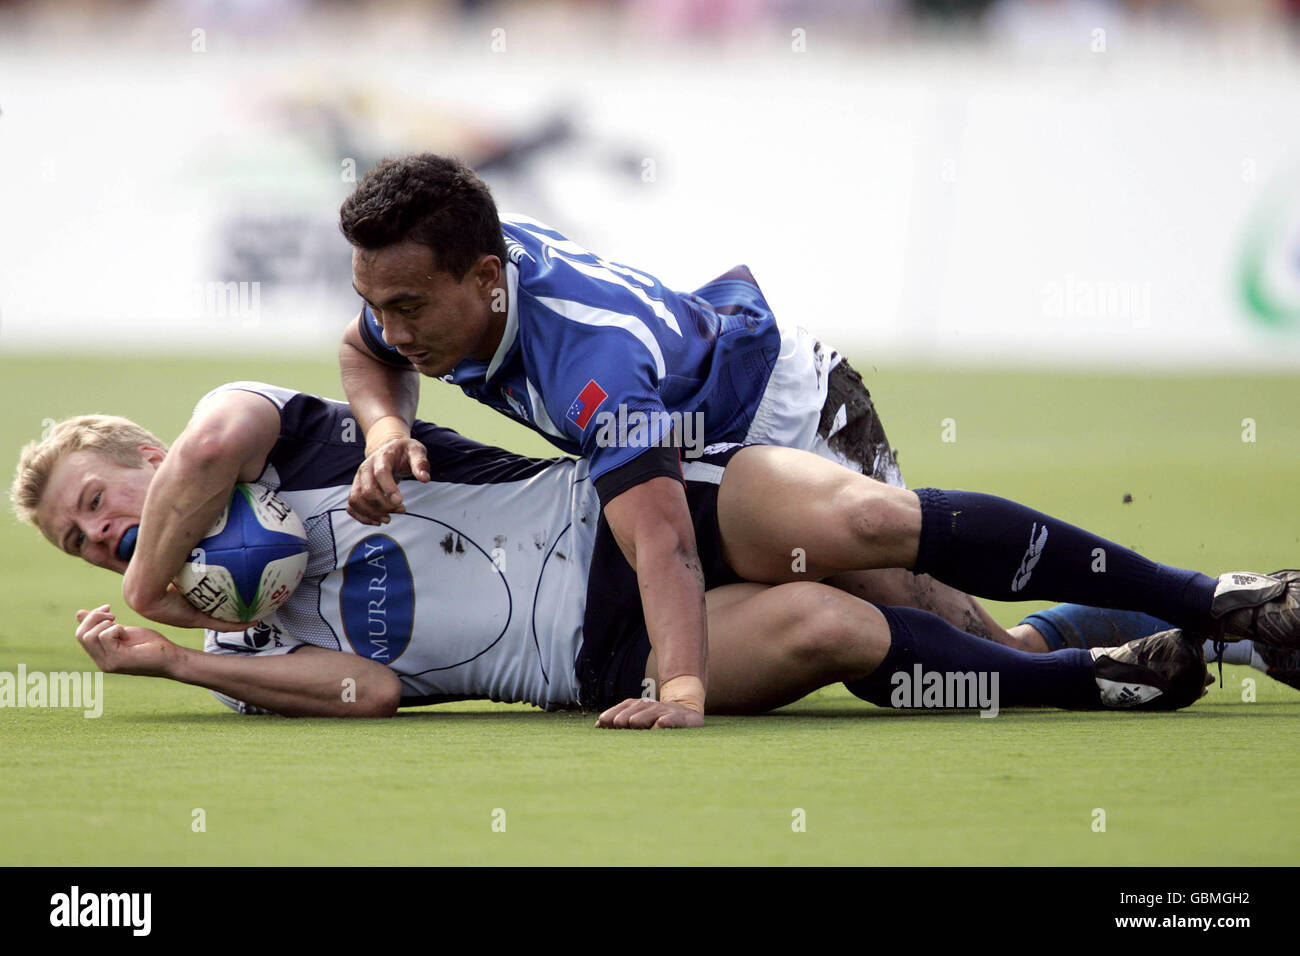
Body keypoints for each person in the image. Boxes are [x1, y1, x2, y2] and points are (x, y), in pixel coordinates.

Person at [12, 381, 1299, 724]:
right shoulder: (238, 636)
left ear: (139, 451)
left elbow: (204, 449)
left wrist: (147, 579)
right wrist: (183, 658)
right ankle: (1109, 674)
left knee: (863, 539)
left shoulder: (270, 433)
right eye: (78, 537)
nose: (98, 529)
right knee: (841, 624)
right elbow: (374, 689)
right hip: (600, 656)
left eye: (96, 493)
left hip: (633, 513)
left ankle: (1214, 601)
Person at [335, 153, 1059, 727]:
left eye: (404, 309)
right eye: (379, 308)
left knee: (937, 631)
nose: (393, 331)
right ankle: (1092, 647)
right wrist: (387, 431)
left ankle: (1093, 644)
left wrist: (681, 691)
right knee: (848, 631)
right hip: (701, 457)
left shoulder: (581, 353)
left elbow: (661, 538)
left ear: (484, 278)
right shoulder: (453, 282)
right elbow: (364, 351)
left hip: (781, 411)